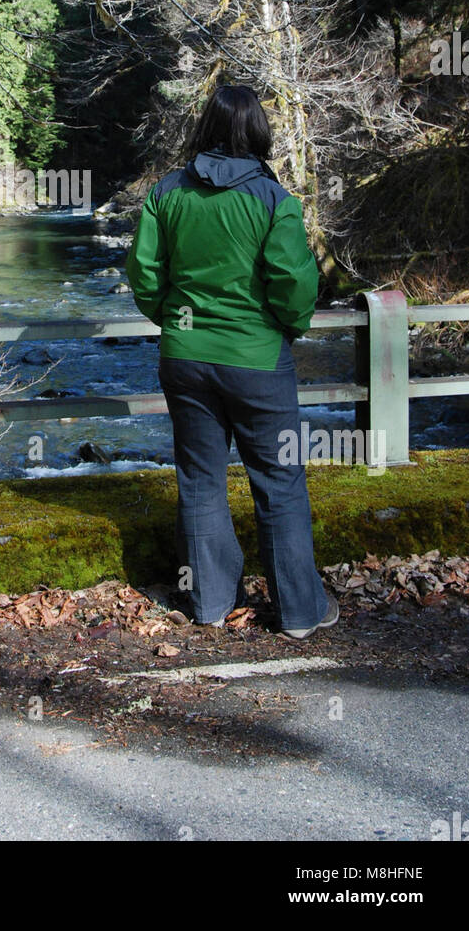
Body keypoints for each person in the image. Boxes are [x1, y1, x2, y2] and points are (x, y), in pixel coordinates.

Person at [125, 83, 338, 640]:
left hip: (186, 357)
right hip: (258, 358)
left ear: (204, 128)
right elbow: (294, 283)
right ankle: (298, 612)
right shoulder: (273, 200)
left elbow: (145, 277)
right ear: (258, 131)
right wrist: (286, 329)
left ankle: (210, 602)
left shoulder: (166, 192)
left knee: (199, 478)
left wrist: (176, 322)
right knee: (280, 482)